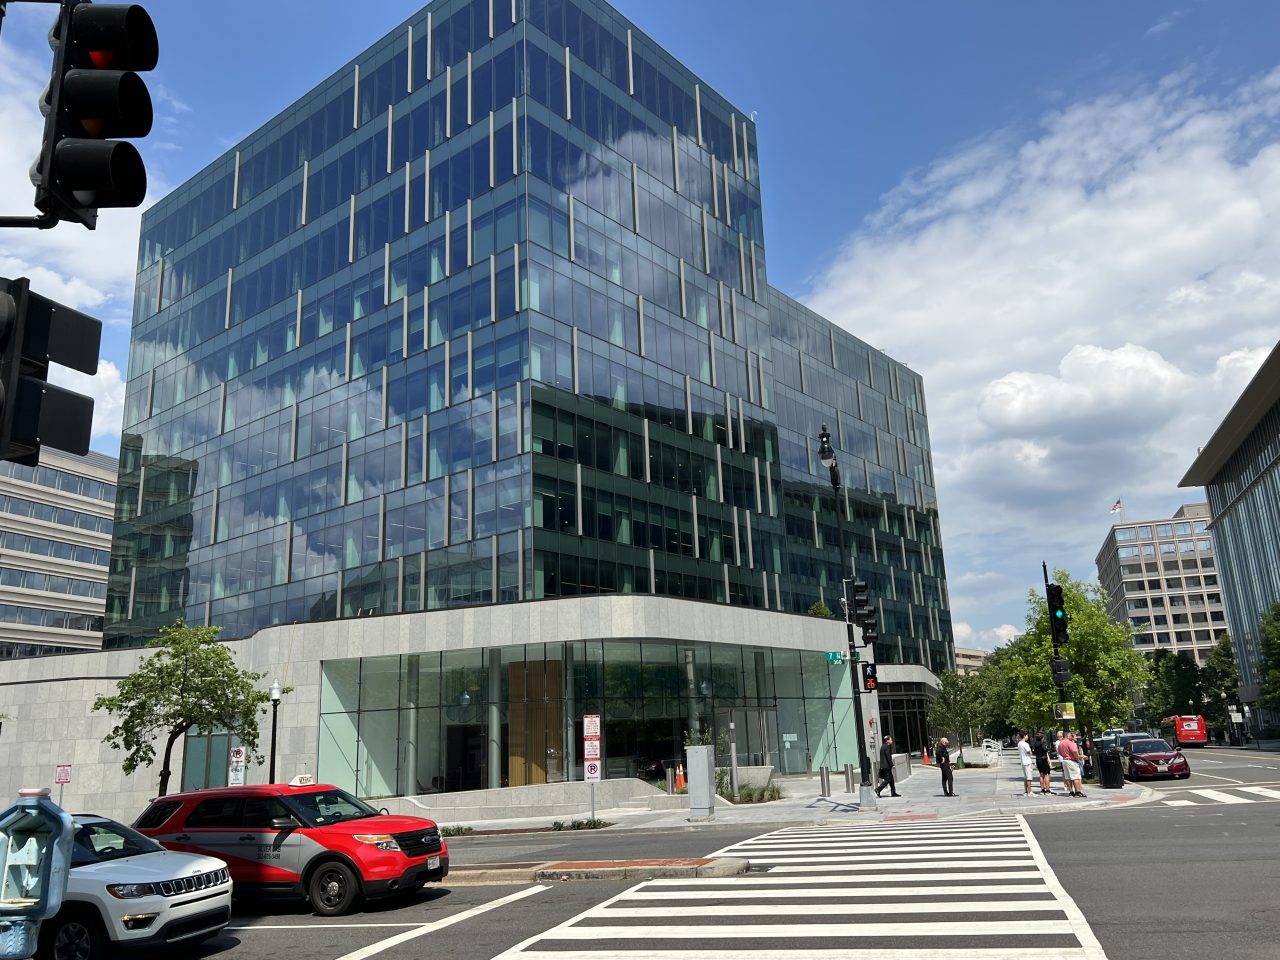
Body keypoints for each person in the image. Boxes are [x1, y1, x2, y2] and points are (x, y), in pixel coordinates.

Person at [1059, 731, 1087, 797]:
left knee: (1068, 777)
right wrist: (1080, 757)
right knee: (1076, 777)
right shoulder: (1071, 743)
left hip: (1065, 761)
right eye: (1074, 735)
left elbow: (1060, 752)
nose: (1075, 737)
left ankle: (1071, 792)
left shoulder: (1061, 743)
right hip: (1072, 761)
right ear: (1069, 736)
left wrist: (1065, 756)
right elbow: (1074, 752)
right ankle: (1078, 792)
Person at [1017, 732, 1035, 796]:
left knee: (1025, 777)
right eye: (1027, 735)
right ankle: (1030, 791)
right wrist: (1031, 753)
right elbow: (1029, 752)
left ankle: (1026, 791)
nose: (1028, 737)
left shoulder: (1019, 743)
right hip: (1027, 762)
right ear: (1024, 736)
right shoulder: (1025, 744)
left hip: (1023, 761)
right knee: (1029, 777)